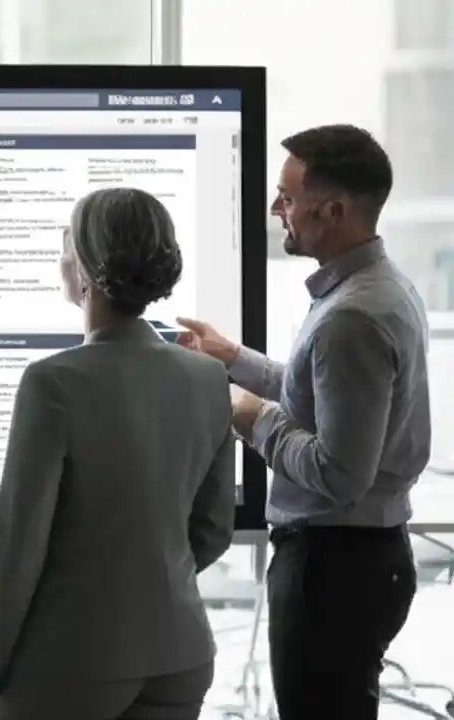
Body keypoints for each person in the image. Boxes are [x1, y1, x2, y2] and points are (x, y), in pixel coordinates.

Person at [177, 124, 429, 720]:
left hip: (333, 570)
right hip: (357, 563)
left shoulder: (353, 318)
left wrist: (251, 416)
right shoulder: (377, 290)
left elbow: (339, 472)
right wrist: (235, 359)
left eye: (287, 197)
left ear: (333, 210)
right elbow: (321, 392)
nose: (275, 209)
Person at [0, 187, 236, 720]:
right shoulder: (208, 376)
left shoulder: (52, 382)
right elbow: (212, 529)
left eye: (66, 247)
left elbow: (18, 548)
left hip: (70, 660)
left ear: (89, 271)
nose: (60, 260)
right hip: (179, 655)